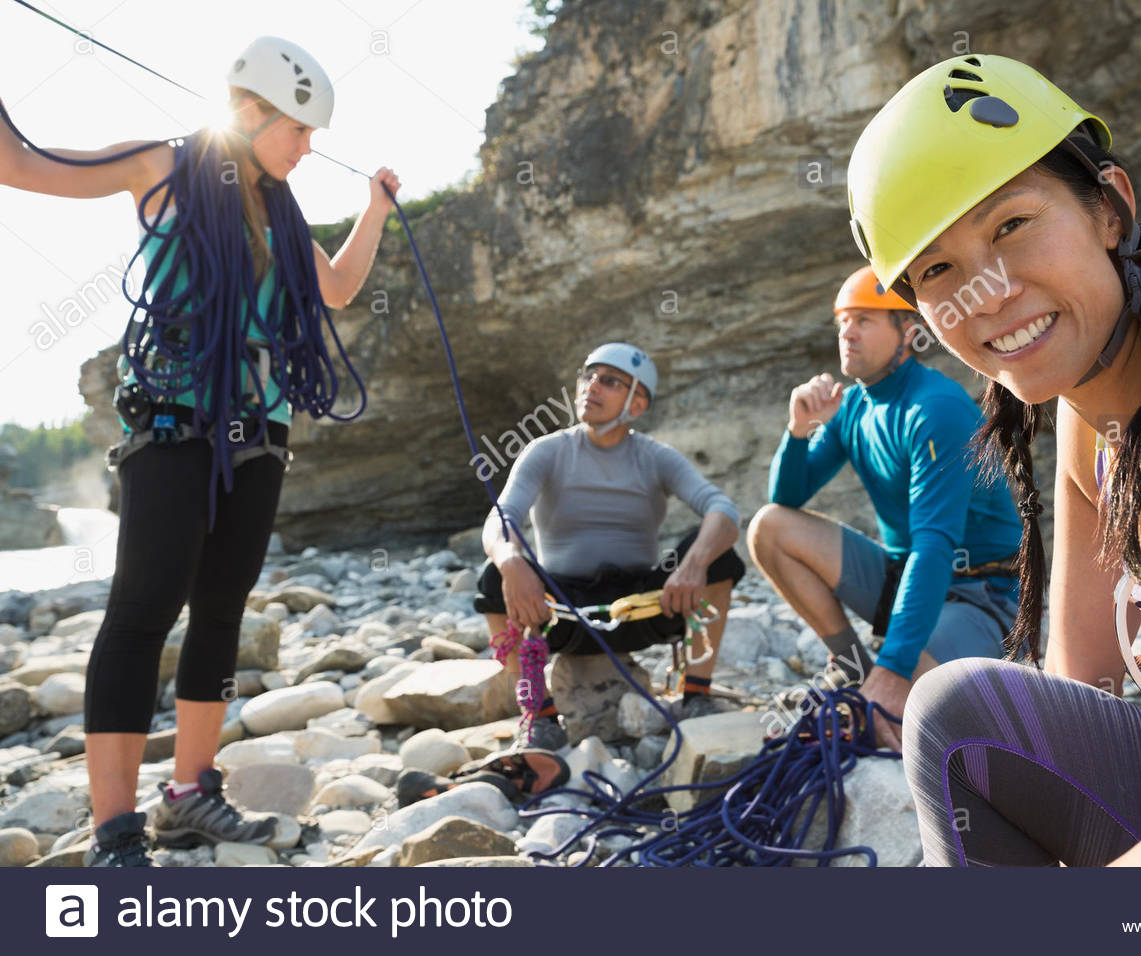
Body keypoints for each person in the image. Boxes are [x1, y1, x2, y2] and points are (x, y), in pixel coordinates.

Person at [847, 53, 1141, 865]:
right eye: (939, 269)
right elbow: (1073, 702)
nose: (984, 293)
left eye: (1011, 225)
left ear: (1110, 209)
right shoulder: (1092, 426)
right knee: (958, 717)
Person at [0, 36, 401, 866]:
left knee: (222, 610)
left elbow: (337, 290)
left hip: (261, 434)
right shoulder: (162, 166)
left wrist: (376, 210)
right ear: (249, 112)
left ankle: (190, 793)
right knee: (144, 609)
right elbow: (23, 165)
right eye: (298, 129)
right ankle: (116, 830)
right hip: (172, 424)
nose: (308, 146)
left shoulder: (284, 211)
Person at [403, 344, 744, 801]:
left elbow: (722, 509)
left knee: (720, 557)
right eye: (588, 376)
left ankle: (696, 694)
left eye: (609, 381)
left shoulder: (656, 457)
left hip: (639, 609)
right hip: (561, 613)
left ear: (637, 403)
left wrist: (695, 564)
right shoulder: (547, 451)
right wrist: (510, 562)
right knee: (491, 578)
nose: (591, 388)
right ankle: (540, 720)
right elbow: (501, 518)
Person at [747, 265, 1023, 751]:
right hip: (906, 581)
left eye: (865, 321)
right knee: (769, 528)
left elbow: (934, 546)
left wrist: (895, 671)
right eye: (842, 322)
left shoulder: (934, 408)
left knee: (914, 719)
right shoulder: (852, 406)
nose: (847, 332)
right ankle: (856, 667)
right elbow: (786, 500)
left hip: (981, 591)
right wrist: (798, 430)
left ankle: (889, 672)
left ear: (908, 334)